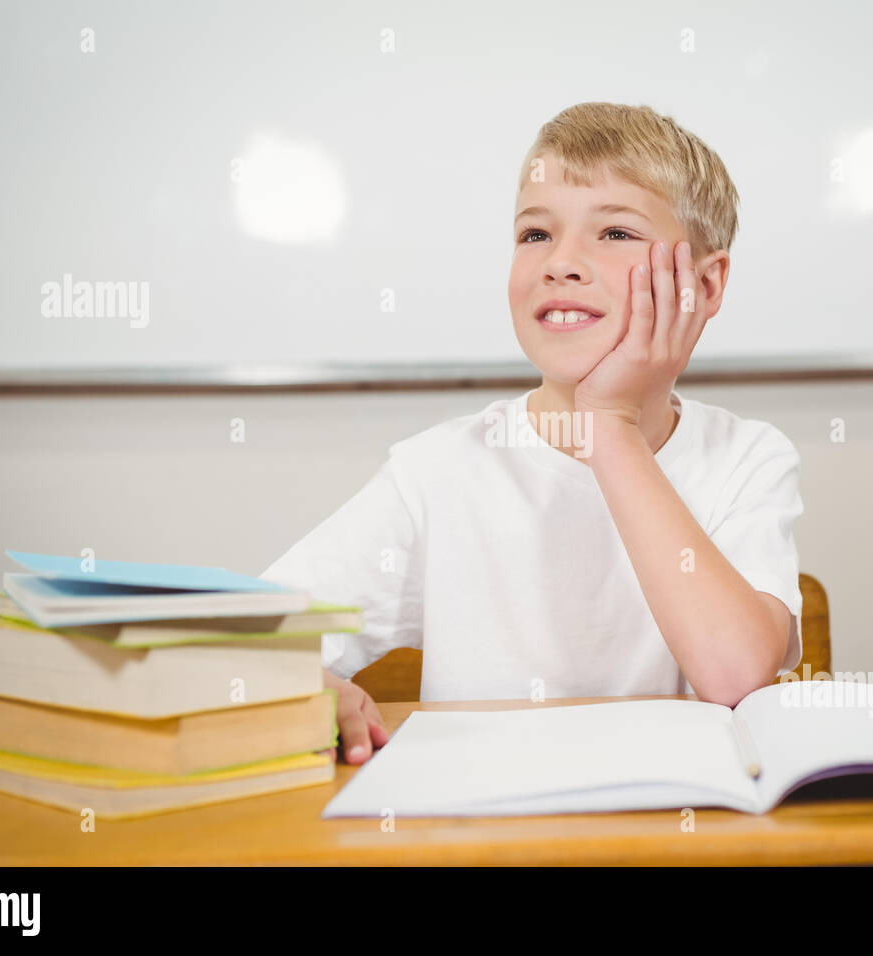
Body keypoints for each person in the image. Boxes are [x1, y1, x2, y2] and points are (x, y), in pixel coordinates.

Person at [260, 102, 804, 766]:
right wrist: (307, 683)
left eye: (616, 234)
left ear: (705, 283)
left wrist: (610, 426)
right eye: (535, 234)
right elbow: (247, 646)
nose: (562, 263)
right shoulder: (436, 473)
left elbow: (732, 674)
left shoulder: (748, 458)